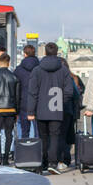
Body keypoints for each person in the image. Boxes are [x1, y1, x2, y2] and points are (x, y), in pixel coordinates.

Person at [27, 42, 76, 172]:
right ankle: (53, 163)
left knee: (43, 137)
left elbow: (33, 92)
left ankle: (43, 162)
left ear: (45, 53)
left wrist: (31, 111)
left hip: (41, 109)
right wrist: (61, 102)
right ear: (57, 53)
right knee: (55, 136)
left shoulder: (37, 70)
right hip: (57, 109)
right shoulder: (64, 70)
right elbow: (69, 91)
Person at [61, 63, 84, 170]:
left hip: (61, 110)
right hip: (71, 111)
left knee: (60, 135)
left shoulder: (61, 78)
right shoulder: (74, 78)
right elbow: (78, 93)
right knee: (68, 135)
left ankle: (62, 158)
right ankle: (66, 157)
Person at [13, 44, 39, 139]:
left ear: (24, 54)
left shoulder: (18, 70)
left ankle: (24, 152)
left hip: (22, 102)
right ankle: (37, 152)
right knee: (37, 132)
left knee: (24, 132)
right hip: (38, 103)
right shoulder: (40, 68)